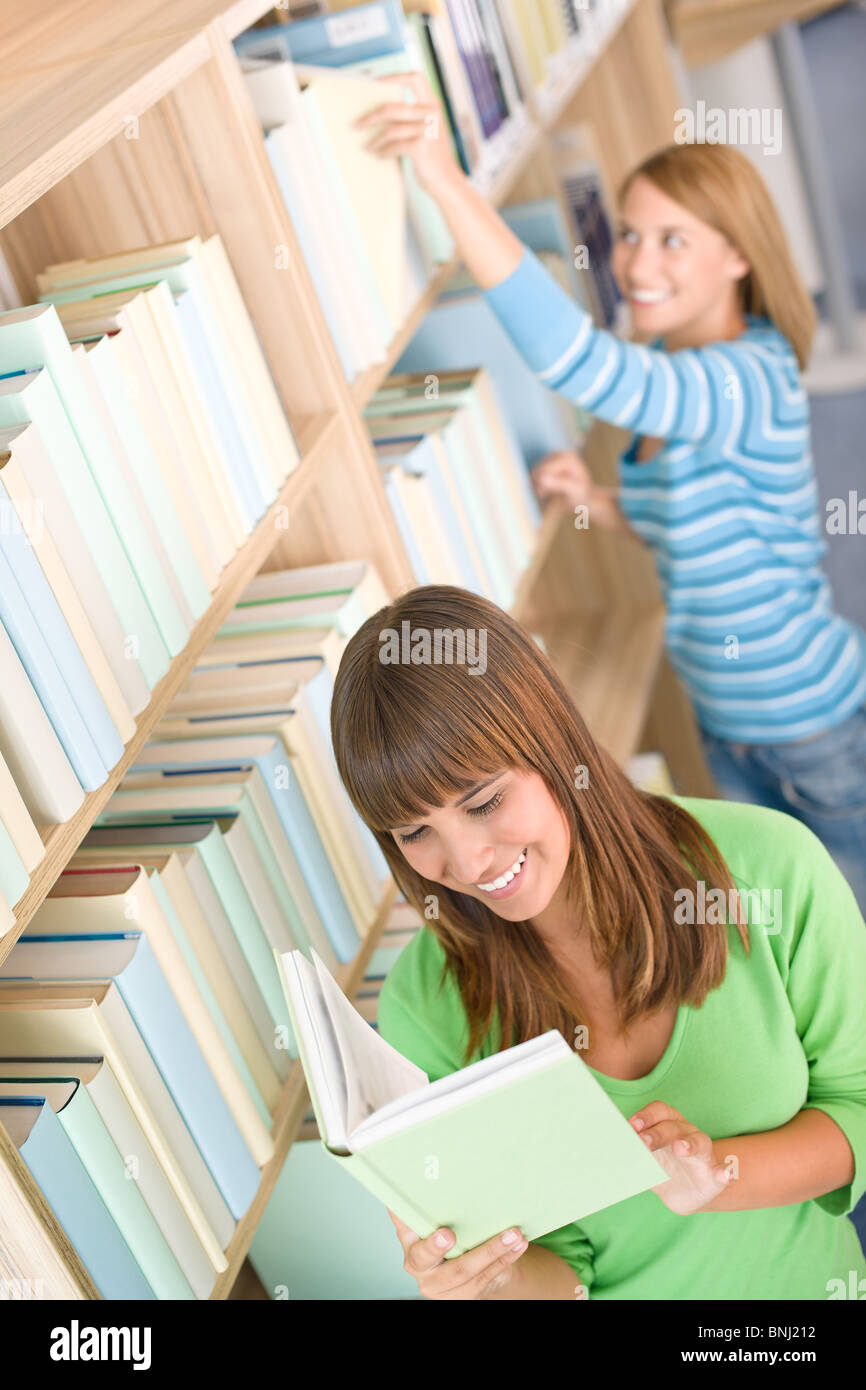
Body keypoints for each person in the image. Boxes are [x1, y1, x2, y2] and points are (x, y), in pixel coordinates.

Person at [354, 81, 866, 916]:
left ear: (740, 254)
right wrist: (597, 496)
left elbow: (580, 365)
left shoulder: (745, 376)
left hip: (808, 723)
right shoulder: (681, 376)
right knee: (795, 919)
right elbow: (690, 526)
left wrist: (445, 180)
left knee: (846, 921)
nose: (637, 262)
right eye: (629, 234)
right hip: (726, 714)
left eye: (675, 240)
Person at [330, 584, 866, 1300]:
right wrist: (490, 1280)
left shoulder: (771, 868)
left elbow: (856, 1109)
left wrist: (721, 1174)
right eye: (414, 832)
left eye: (485, 801)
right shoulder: (425, 1007)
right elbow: (564, 1271)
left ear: (552, 742)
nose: (466, 864)